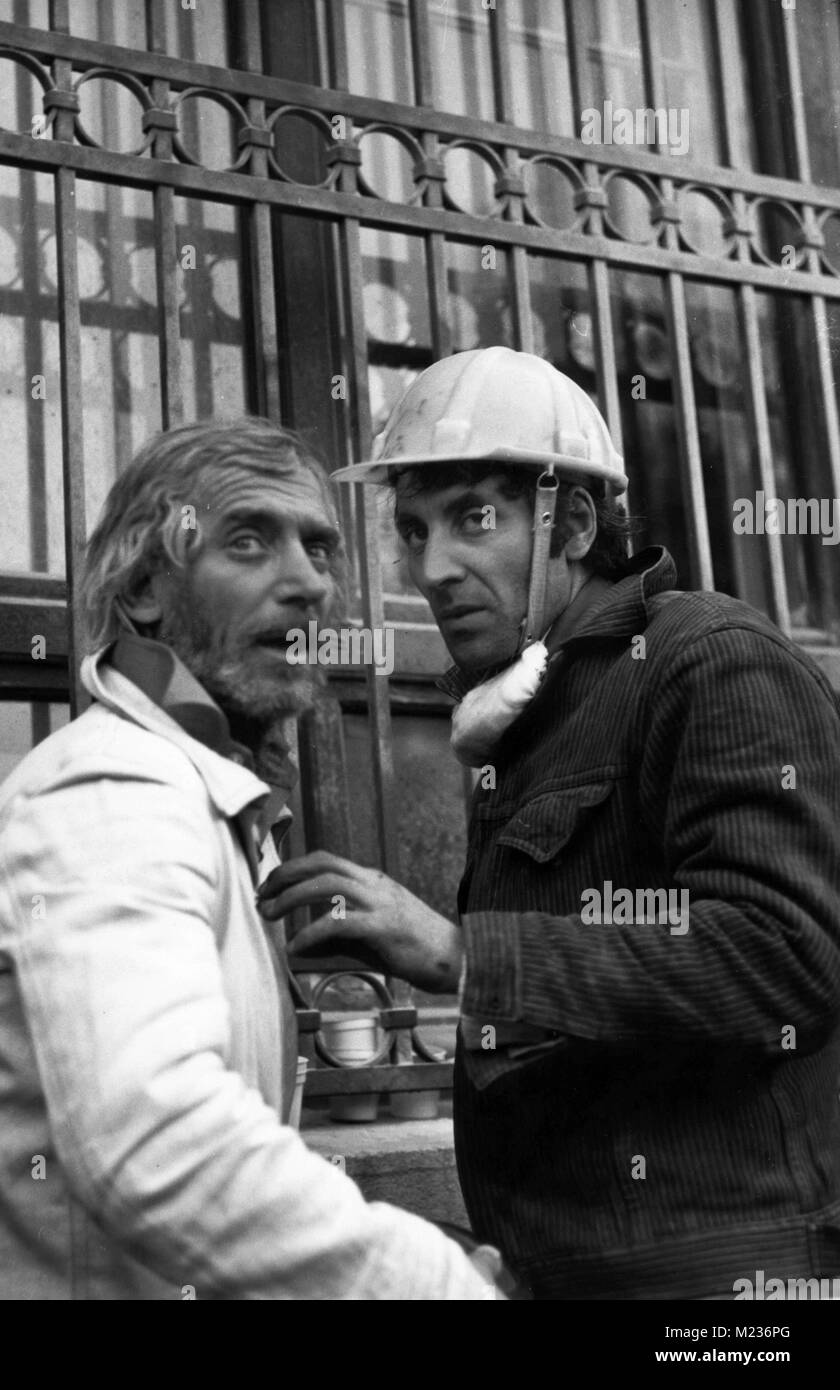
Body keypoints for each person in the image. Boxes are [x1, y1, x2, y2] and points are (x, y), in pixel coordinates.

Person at [258, 347, 840, 1300]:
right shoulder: (529, 712)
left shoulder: (708, 662)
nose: (432, 569)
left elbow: (787, 960)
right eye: (412, 530)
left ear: (571, 521)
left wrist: (466, 956)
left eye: (472, 520)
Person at [0, 418, 500, 1300]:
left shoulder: (204, 791)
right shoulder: (113, 795)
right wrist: (441, 1285)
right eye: (248, 541)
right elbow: (161, 1148)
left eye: (319, 547)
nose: (307, 584)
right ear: (148, 587)